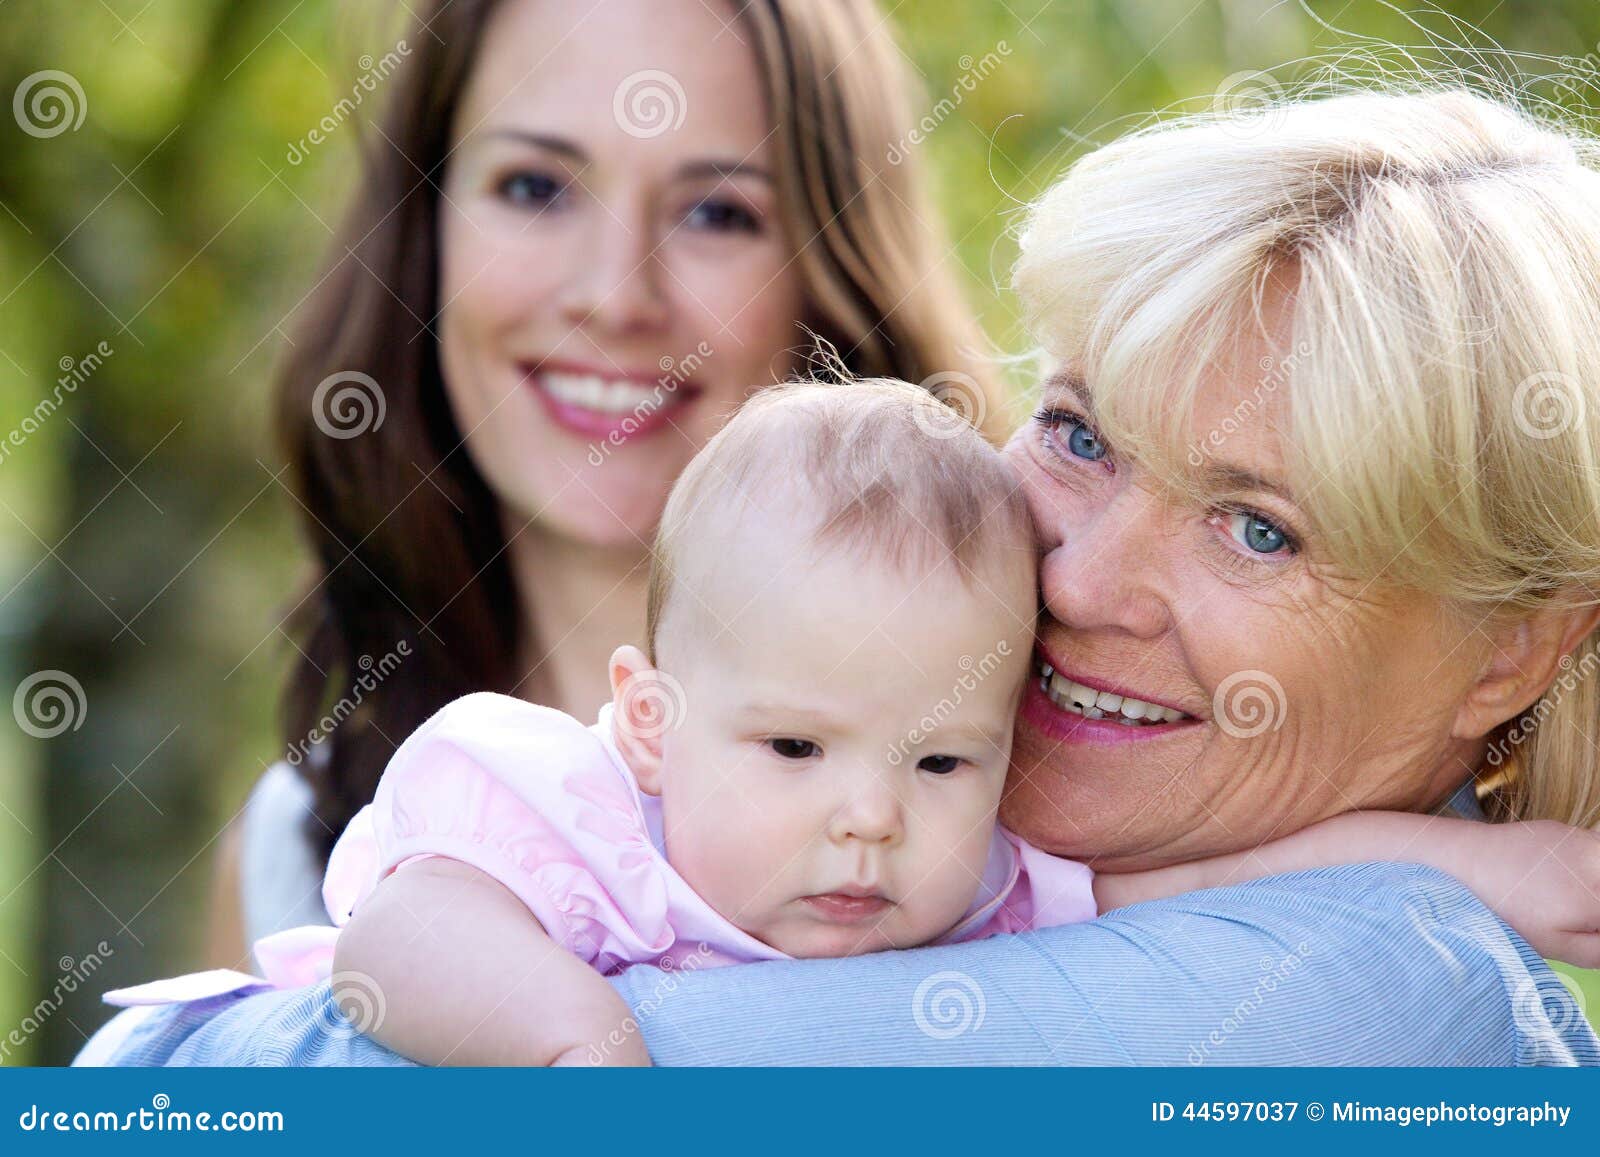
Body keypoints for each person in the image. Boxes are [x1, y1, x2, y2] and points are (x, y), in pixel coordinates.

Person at [209, 0, 1007, 964]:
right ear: (425, 240)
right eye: (537, 187)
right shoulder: (292, 858)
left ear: (827, 272)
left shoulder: (1033, 815)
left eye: (718, 211)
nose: (617, 295)